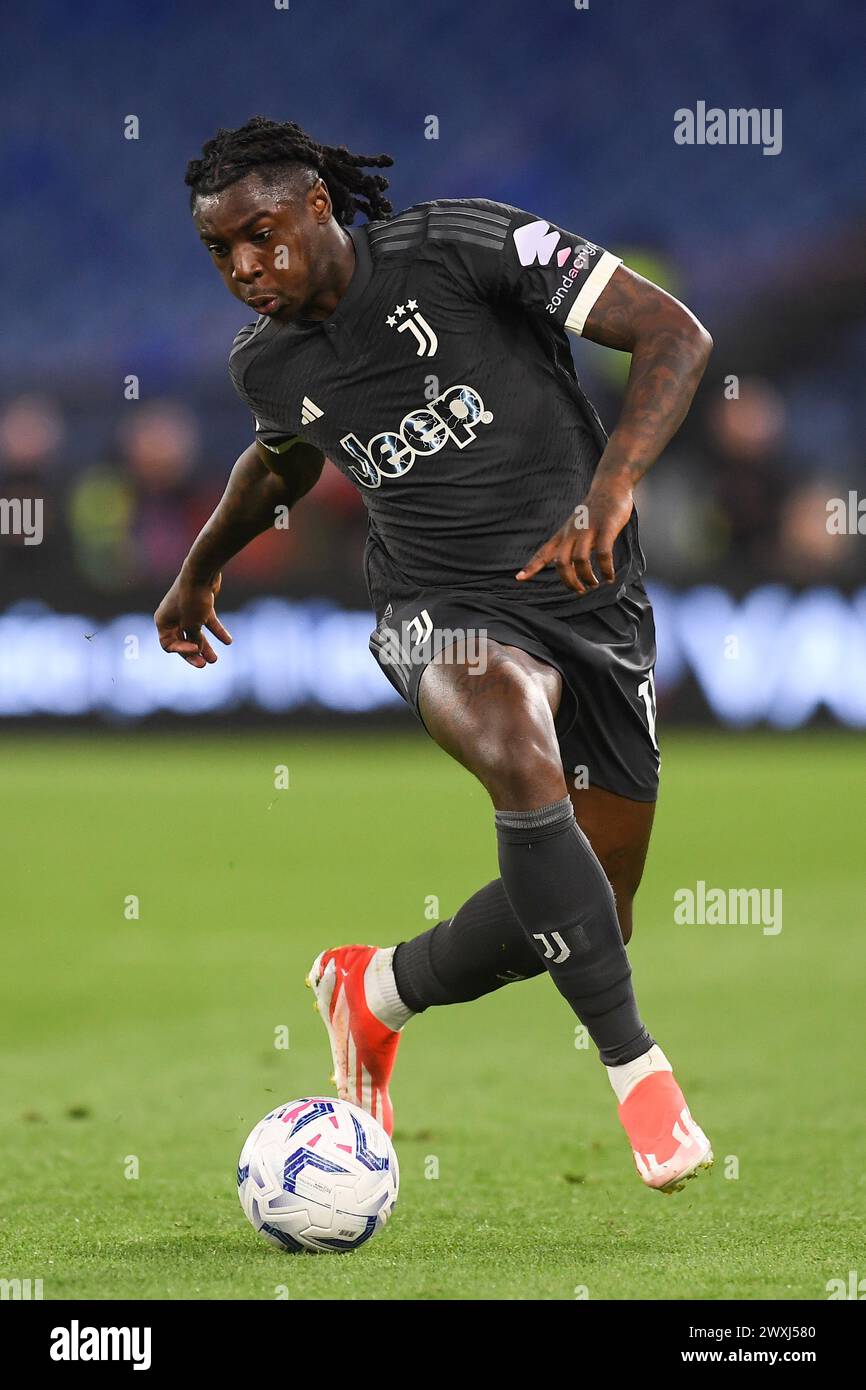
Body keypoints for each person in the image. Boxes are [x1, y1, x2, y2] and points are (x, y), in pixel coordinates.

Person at [155, 118, 714, 1194]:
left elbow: (673, 335)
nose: (244, 269)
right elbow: (281, 463)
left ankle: (373, 992)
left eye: (259, 235)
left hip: (592, 598)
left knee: (592, 901)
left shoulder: (466, 246)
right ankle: (635, 1069)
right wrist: (198, 567)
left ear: (318, 205)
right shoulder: (267, 361)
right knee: (508, 734)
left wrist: (612, 488)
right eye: (221, 252)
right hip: (434, 605)